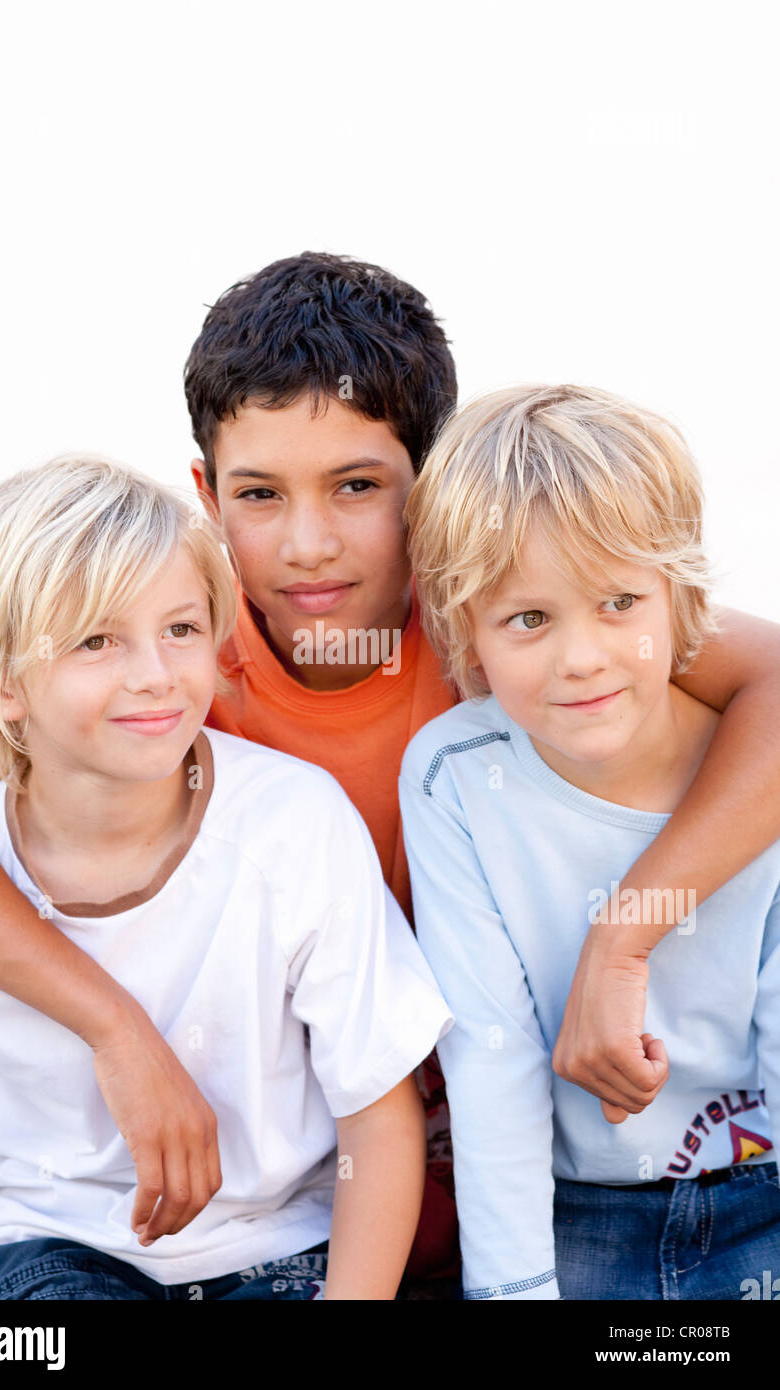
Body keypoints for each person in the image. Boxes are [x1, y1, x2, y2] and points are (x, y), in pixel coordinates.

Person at [0, 256, 780, 1289]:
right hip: (293, 1204)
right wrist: (112, 1027)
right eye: (260, 495)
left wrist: (626, 929)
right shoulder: (173, 665)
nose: (309, 544)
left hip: (527, 1175)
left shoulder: (509, 632)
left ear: (431, 487)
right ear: (208, 493)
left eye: (359, 486)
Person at [0, 454, 453, 1301]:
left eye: (182, 629)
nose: (155, 674)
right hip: (48, 1244)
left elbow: (378, 1108)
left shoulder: (292, 822)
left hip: (280, 1240)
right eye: (96, 641)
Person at [399, 384, 780, 1299]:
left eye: (618, 602)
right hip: (578, 1212)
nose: (582, 657)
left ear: (681, 600)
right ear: (465, 633)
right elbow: (490, 1057)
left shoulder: (750, 772)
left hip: (760, 1198)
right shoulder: (454, 775)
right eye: (529, 618)